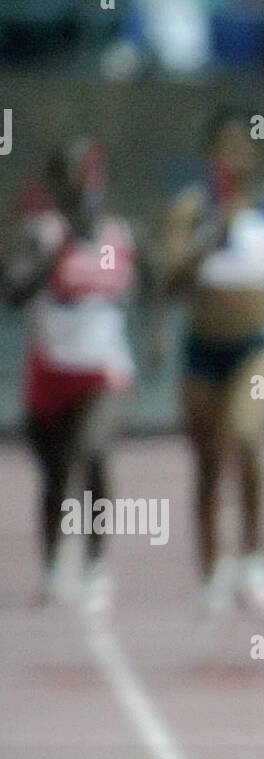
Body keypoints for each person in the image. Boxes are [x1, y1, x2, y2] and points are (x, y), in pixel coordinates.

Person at [162, 107, 264, 616]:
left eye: (242, 145)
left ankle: (254, 556)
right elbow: (169, 280)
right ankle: (213, 569)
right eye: (222, 146)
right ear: (209, 154)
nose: (232, 156)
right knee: (208, 460)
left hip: (261, 342)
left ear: (257, 151)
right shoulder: (191, 208)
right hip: (202, 345)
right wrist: (213, 235)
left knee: (248, 434)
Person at [1, 138, 136, 613]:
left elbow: (152, 283)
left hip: (103, 371)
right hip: (50, 372)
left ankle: (97, 567)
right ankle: (52, 564)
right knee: (56, 477)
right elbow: (13, 292)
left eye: (89, 178)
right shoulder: (38, 234)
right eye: (72, 178)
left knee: (94, 455)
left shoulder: (118, 235)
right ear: (57, 185)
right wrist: (56, 254)